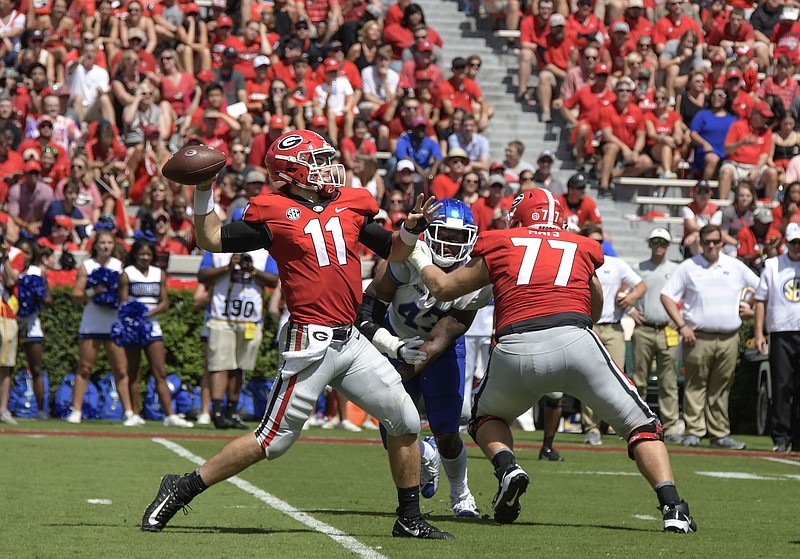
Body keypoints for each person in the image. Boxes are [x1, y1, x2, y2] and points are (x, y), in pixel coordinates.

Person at [141, 129, 453, 540]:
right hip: (312, 341)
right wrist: (204, 189)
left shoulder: (350, 204)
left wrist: (410, 231)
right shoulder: (271, 210)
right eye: (318, 161)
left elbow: (393, 250)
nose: (328, 167)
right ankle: (180, 488)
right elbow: (210, 237)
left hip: (351, 339)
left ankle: (409, 518)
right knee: (271, 441)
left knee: (404, 417)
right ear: (293, 172)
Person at [404, 187, 696, 532]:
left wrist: (418, 254)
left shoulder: (501, 240)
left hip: (516, 343)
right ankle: (673, 508)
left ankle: (507, 466)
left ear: (519, 217)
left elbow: (442, 288)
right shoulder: (583, 246)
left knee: (485, 419)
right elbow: (595, 304)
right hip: (576, 340)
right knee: (642, 426)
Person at [357, 198, 489, 517]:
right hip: (397, 339)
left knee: (446, 433)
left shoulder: (476, 279)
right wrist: (392, 349)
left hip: (441, 352)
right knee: (394, 432)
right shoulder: (408, 259)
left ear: (471, 239)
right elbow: (371, 305)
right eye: (445, 234)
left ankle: (461, 495)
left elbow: (440, 338)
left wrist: (400, 371)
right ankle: (425, 457)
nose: (451, 243)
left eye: (459, 237)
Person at [661, 224, 759, 450]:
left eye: (715, 241)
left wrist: (751, 309)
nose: (711, 246)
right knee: (695, 385)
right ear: (700, 243)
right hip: (698, 335)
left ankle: (719, 433)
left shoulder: (735, 266)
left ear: (722, 243)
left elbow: (761, 288)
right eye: (707, 242)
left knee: (721, 386)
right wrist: (682, 325)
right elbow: (666, 295)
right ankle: (694, 431)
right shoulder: (688, 267)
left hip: (728, 336)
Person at [196, 223, 279, 429]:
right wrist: (227, 267)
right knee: (219, 366)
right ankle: (216, 411)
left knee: (239, 367)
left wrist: (253, 270)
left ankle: (231, 412)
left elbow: (273, 280)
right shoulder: (216, 249)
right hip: (222, 317)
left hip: (250, 318)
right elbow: (202, 276)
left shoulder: (263, 252)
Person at [580, 224, 646, 446]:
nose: (598, 245)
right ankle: (591, 427)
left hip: (613, 327)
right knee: (588, 378)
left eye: (600, 242)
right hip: (588, 326)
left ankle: (614, 424)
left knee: (617, 377)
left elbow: (641, 285)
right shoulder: (577, 262)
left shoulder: (616, 264)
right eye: (594, 241)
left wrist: (631, 298)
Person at [119, 239, 193, 428]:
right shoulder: (127, 274)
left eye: (149, 254)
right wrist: (135, 316)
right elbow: (123, 303)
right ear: (135, 254)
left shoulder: (158, 273)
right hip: (134, 328)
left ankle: (169, 415)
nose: (145, 257)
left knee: (160, 371)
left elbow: (164, 302)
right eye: (142, 254)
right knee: (134, 371)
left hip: (152, 326)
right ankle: (134, 414)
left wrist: (147, 314)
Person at [66, 229, 136, 425]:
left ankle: (129, 413)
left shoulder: (120, 266)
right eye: (102, 243)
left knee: (121, 370)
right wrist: (93, 291)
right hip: (92, 323)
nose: (105, 246)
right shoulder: (87, 266)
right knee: (85, 368)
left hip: (114, 324)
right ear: (95, 245)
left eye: (109, 243)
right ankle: (76, 411)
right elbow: (76, 296)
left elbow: (126, 295)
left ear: (114, 245)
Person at [629, 228, 682, 443]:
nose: (659, 244)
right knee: (638, 378)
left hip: (667, 328)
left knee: (668, 380)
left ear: (669, 245)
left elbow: (687, 294)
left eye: (663, 241)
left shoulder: (677, 269)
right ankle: (637, 423)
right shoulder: (638, 268)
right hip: (645, 327)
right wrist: (630, 310)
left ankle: (670, 427)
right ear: (649, 243)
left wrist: (679, 317)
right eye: (655, 241)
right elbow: (622, 291)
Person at [754, 222, 800, 453]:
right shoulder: (772, 266)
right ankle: (780, 437)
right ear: (787, 243)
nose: (797, 247)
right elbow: (760, 300)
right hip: (781, 331)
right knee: (781, 387)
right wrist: (758, 332)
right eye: (794, 243)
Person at [14, 239, 51, 419]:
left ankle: (42, 411)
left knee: (36, 369)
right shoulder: (9, 270)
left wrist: (38, 291)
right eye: (20, 252)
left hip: (32, 325)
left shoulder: (37, 272)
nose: (23, 256)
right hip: (10, 322)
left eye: (27, 253)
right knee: (5, 367)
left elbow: (48, 299)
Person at [0, 224, 20, 425]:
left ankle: (3, 408)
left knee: (5, 364)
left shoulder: (14, 254)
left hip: (4, 313)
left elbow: (12, 281)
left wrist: (4, 258)